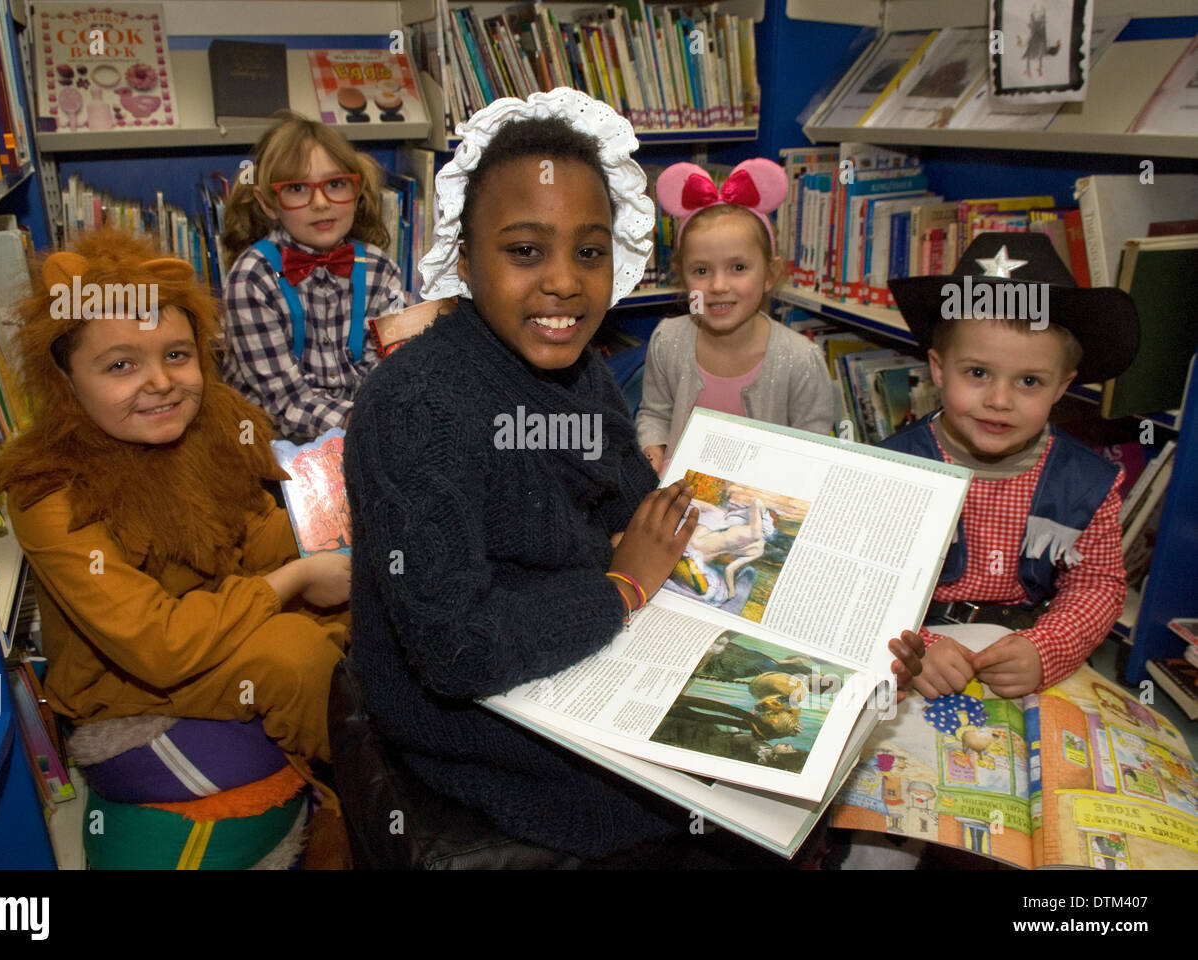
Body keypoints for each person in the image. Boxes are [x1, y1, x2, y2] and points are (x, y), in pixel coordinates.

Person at [343, 88, 924, 861]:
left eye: (589, 251)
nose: (564, 283)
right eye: (525, 251)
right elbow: (456, 649)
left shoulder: (577, 371)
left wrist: (840, 615)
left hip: (576, 639)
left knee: (811, 726)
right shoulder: (413, 406)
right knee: (725, 801)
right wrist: (622, 588)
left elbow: (638, 499)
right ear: (462, 259)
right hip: (475, 717)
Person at [0, 230, 351, 764]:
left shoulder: (211, 426)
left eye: (177, 355)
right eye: (120, 365)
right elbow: (157, 647)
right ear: (65, 380)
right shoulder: (50, 494)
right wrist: (294, 578)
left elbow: (253, 532)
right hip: (127, 681)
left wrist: (339, 520)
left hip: (219, 614)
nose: (161, 382)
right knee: (294, 659)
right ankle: (355, 795)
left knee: (367, 608)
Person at [883, 231, 1141, 700]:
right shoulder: (894, 466)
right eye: (977, 373)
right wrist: (914, 648)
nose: (999, 401)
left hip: (1026, 639)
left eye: (1029, 381)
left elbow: (1097, 583)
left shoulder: (1085, 482)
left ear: (1062, 386)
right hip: (921, 643)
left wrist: (1048, 649)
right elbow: (865, 578)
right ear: (939, 369)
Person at [636, 159, 833, 473]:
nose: (718, 285)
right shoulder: (668, 339)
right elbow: (654, 415)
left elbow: (815, 447)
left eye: (738, 268)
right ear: (683, 278)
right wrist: (653, 455)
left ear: (770, 274)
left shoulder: (800, 359)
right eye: (701, 271)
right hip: (682, 500)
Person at [221, 110, 406, 441]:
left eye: (335, 184)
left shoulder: (380, 270)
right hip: (271, 444)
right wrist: (370, 428)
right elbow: (288, 404)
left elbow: (390, 376)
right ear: (268, 204)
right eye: (297, 188)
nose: (321, 203)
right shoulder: (251, 279)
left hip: (364, 434)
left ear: (356, 190)